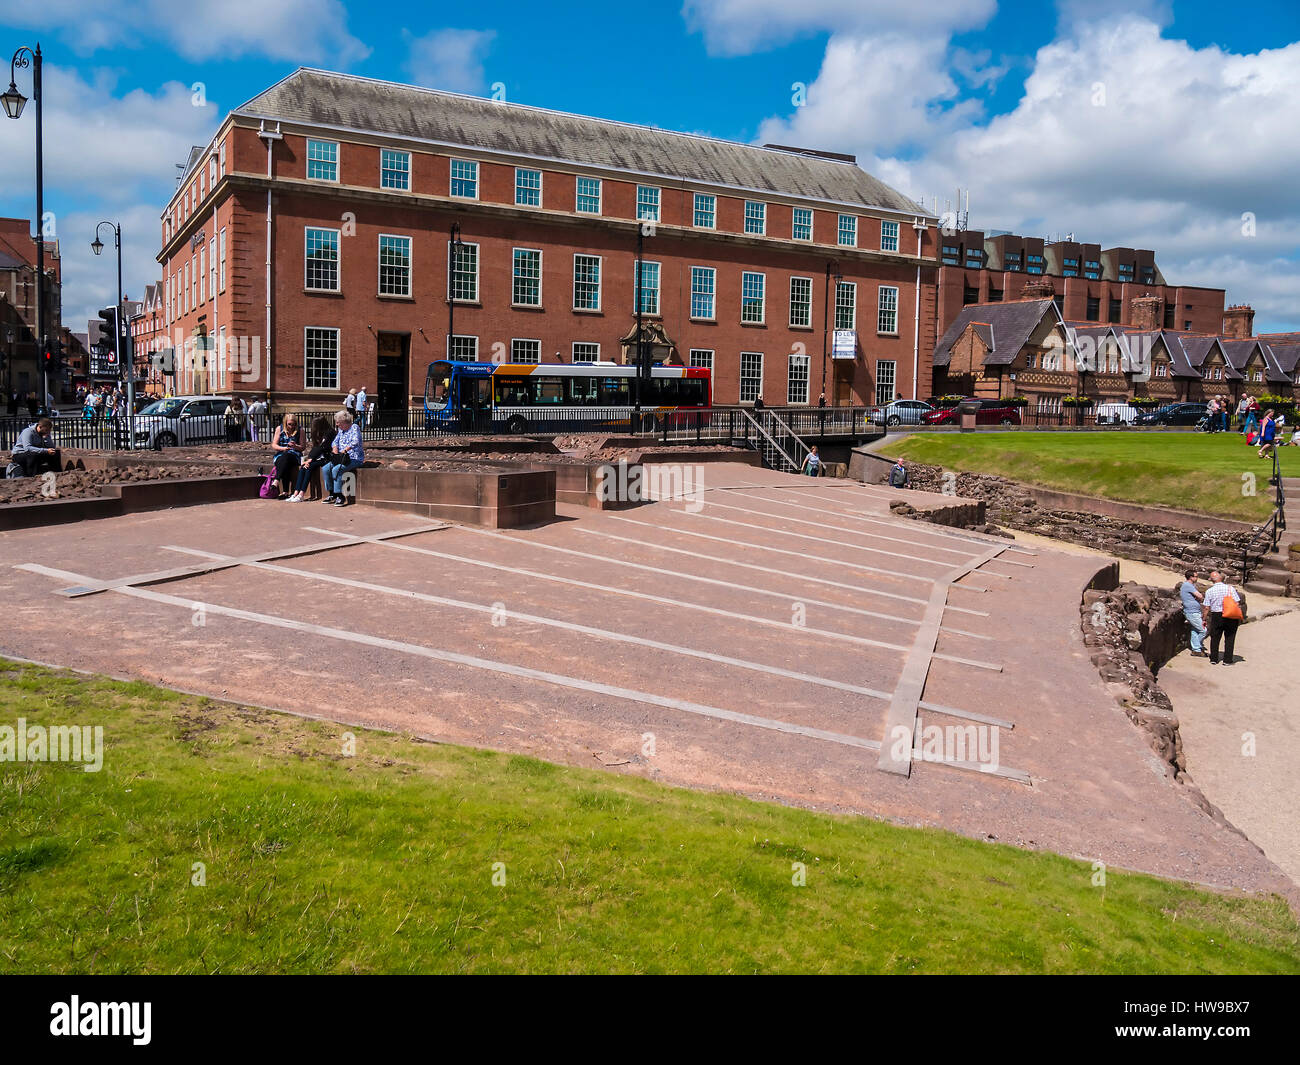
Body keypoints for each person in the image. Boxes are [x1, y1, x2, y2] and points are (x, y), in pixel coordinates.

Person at [286, 417, 336, 502]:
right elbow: (315, 447)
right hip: (319, 458)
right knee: (303, 468)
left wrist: (310, 459)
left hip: (328, 458)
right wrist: (309, 459)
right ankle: (295, 493)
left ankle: (301, 494)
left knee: (309, 467)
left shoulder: (330, 432)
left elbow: (323, 447)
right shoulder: (319, 433)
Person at [321, 409, 365, 506]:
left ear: (344, 422)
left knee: (336, 470)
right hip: (341, 457)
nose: (337, 425)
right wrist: (335, 448)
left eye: (338, 423)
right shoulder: (341, 431)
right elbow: (334, 442)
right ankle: (332, 493)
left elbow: (355, 441)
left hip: (354, 458)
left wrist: (345, 449)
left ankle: (340, 496)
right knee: (326, 469)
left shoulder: (354, 427)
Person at [1203, 570, 1244, 665]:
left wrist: (1204, 619)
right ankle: (1227, 660)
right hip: (1230, 614)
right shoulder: (1230, 588)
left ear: (1212, 580)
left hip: (1217, 615)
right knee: (1230, 637)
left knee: (1215, 637)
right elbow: (1237, 602)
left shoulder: (1209, 591)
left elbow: (1206, 607)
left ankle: (1213, 658)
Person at [270, 413, 304, 498]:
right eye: (289, 424)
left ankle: (277, 481)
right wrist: (284, 448)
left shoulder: (300, 430)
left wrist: (295, 446)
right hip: (281, 454)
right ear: (285, 423)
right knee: (284, 460)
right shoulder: (279, 429)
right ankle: (285, 492)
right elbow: (274, 445)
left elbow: (303, 447)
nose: (291, 426)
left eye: (294, 424)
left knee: (286, 457)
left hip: (295, 455)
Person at [1178, 569, 1207, 657]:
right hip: (1191, 612)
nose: (1197, 578)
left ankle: (1196, 649)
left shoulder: (1188, 585)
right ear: (1191, 577)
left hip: (1193, 611)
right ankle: (1197, 647)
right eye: (1196, 576)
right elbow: (1200, 596)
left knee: (1195, 630)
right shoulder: (1188, 585)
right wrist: (1199, 598)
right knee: (1203, 630)